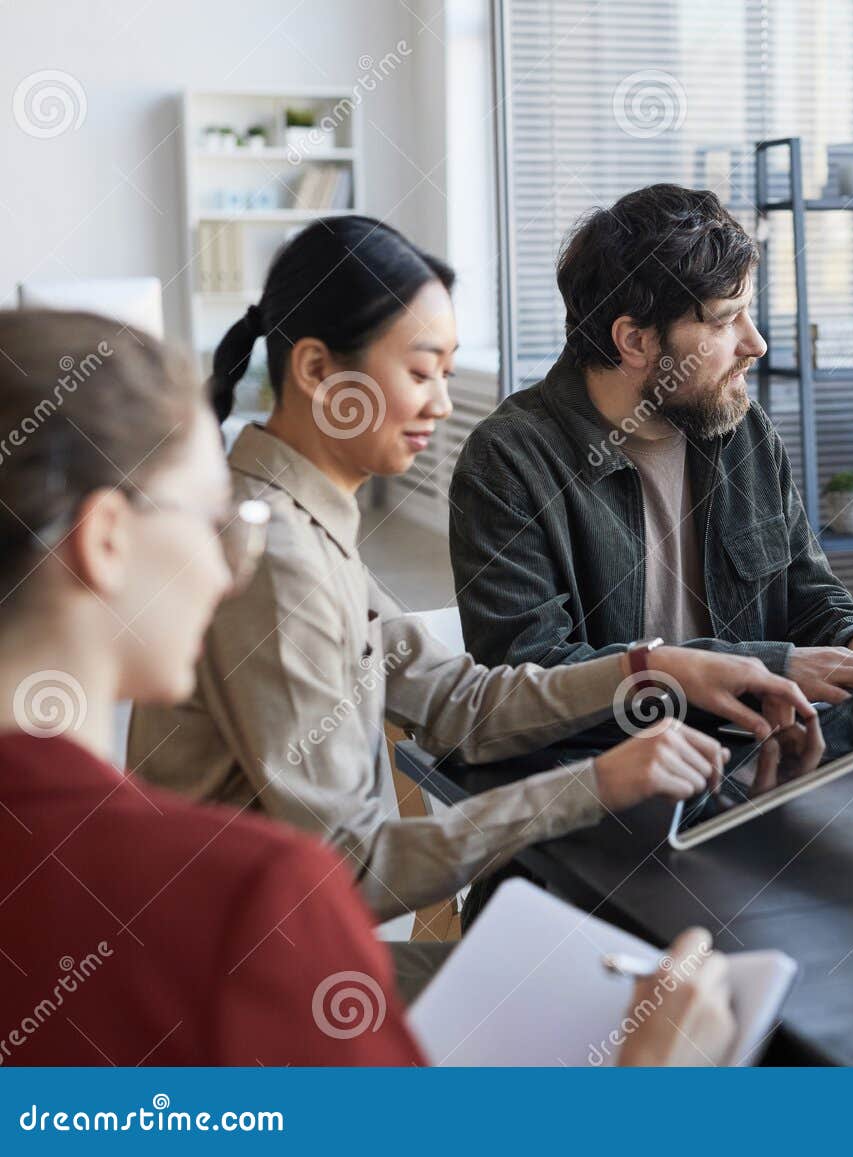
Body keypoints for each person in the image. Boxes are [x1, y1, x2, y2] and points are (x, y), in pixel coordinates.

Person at [0, 311, 737, 1067]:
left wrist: (649, 668)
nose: (230, 567)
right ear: (106, 541)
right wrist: (652, 1081)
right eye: (210, 520)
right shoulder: (247, 892)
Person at [128, 216, 812, 925]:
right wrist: (595, 782)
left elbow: (461, 704)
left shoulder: (301, 522)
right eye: (421, 372)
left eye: (447, 373)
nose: (444, 404)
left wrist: (653, 666)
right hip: (242, 984)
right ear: (317, 371)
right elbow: (347, 870)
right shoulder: (276, 557)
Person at [449, 184, 853, 706]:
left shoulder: (743, 431)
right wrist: (765, 667)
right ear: (635, 341)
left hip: (759, 747)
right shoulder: (508, 462)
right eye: (726, 319)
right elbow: (530, 679)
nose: (756, 344)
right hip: (609, 771)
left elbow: (807, 594)